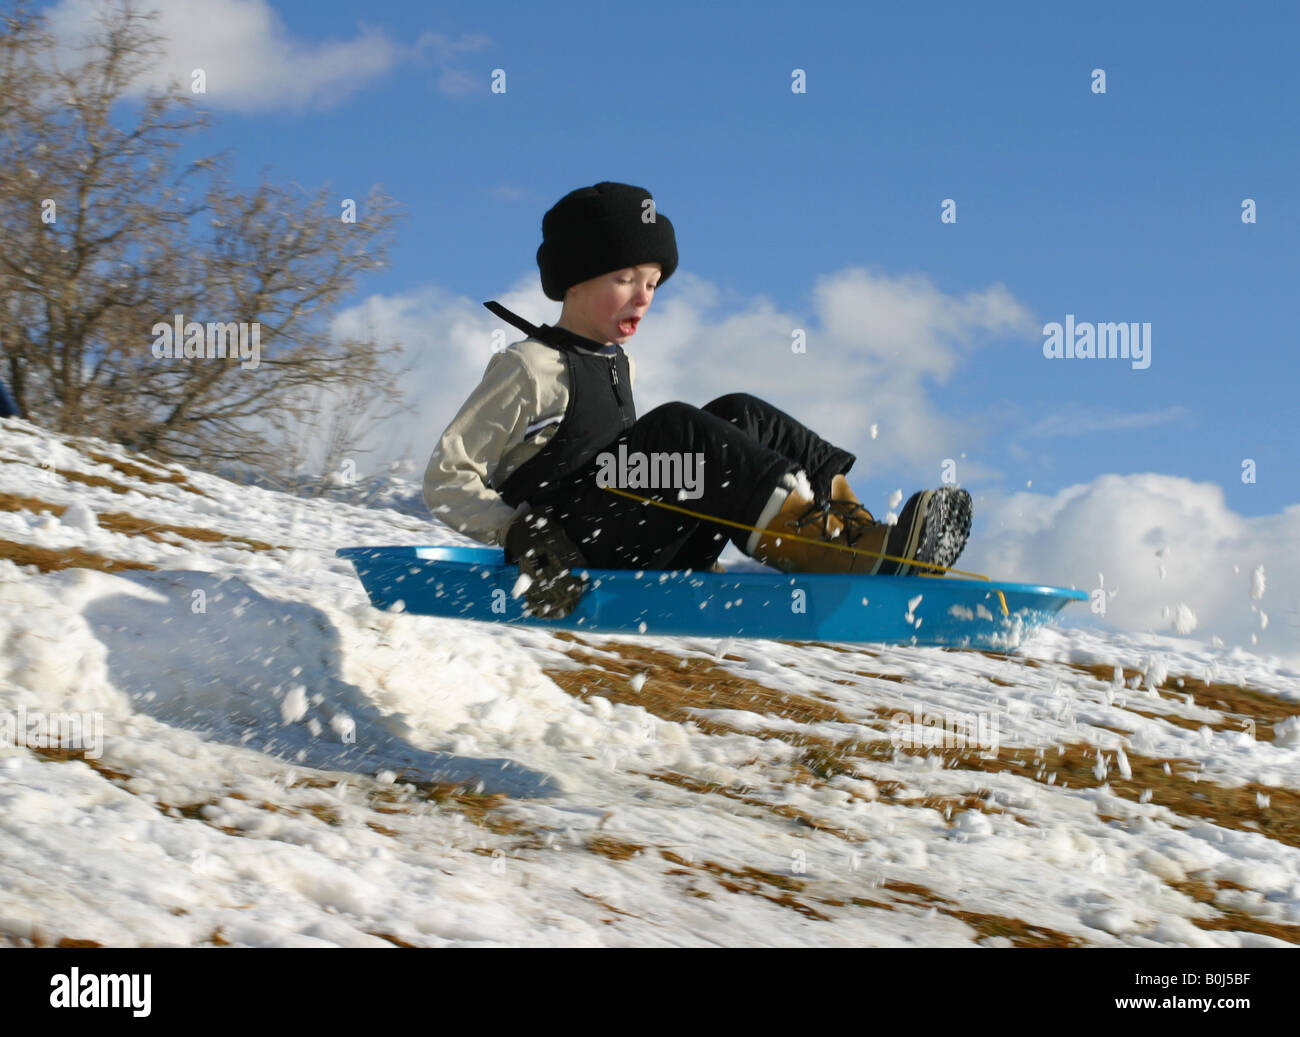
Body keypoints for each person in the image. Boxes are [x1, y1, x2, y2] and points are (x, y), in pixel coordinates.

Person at [423, 181, 971, 617]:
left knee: (740, 412)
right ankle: (831, 553)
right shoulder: (529, 366)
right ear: (573, 280)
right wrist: (519, 531)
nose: (644, 296)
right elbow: (447, 477)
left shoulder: (616, 363)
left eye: (654, 283)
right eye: (624, 278)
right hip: (572, 552)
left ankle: (852, 529)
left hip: (634, 537)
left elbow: (636, 473)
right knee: (677, 428)